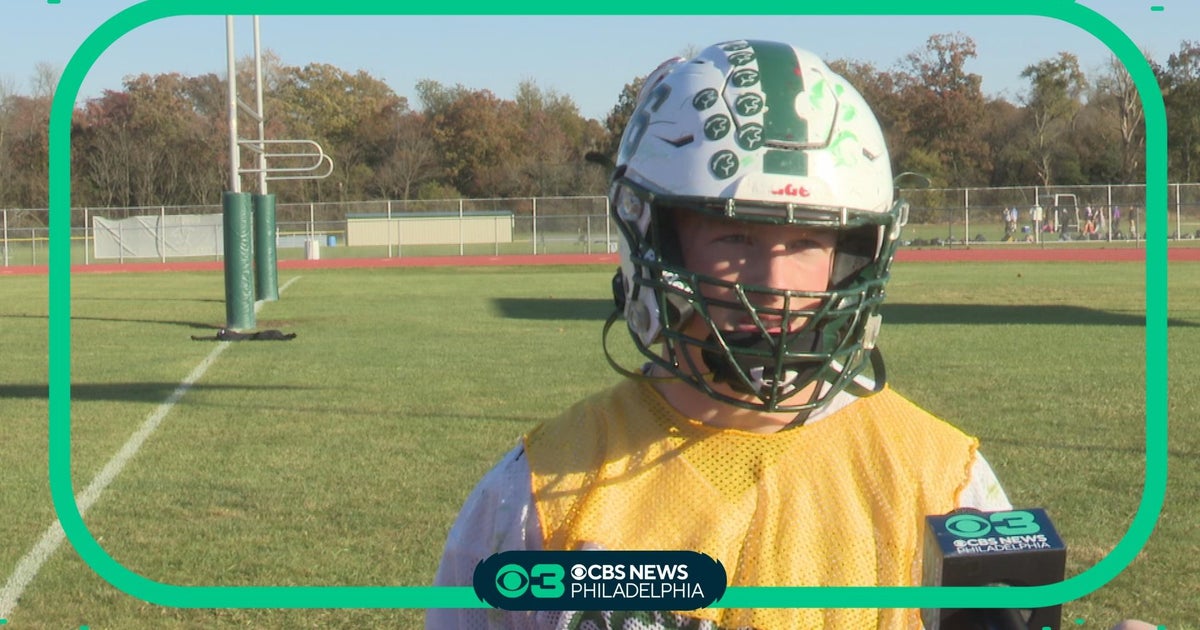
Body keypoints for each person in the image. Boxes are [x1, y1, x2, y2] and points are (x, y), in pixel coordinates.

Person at [428, 41, 1150, 630]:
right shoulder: (539, 493)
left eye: (807, 240)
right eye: (734, 235)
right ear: (654, 240)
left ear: (856, 256)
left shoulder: (942, 482)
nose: (774, 284)